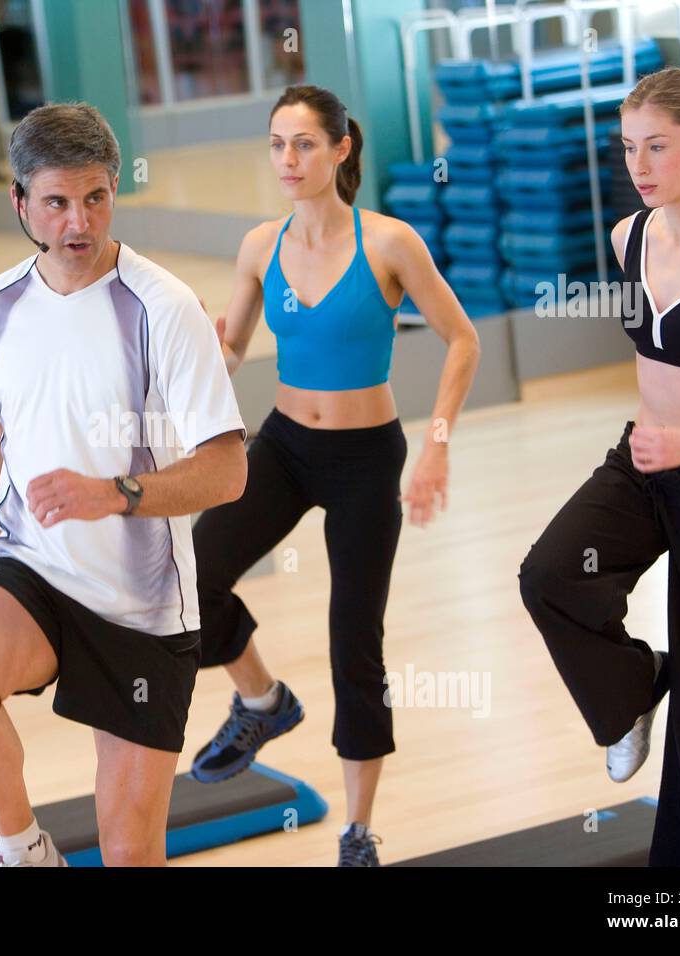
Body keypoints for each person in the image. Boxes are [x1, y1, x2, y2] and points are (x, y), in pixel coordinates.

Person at [0, 102, 247, 867]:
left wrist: (115, 493)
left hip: (142, 608)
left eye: (95, 197)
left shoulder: (163, 307)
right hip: (32, 568)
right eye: (57, 202)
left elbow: (229, 470)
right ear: (20, 203)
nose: (79, 221)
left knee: (130, 851)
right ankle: (21, 844)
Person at [188, 84, 481, 867]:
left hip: (365, 458)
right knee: (194, 574)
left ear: (341, 148)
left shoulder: (388, 243)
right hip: (284, 446)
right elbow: (234, 350)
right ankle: (262, 702)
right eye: (278, 144)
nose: (289, 159)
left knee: (355, 638)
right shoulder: (260, 245)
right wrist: (193, 359)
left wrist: (438, 446)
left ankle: (357, 830)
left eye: (305, 144)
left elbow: (462, 341)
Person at [519, 67, 680, 866]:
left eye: (658, 147)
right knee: (551, 576)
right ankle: (634, 692)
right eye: (629, 148)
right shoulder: (629, 236)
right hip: (642, 465)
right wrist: (660, 444)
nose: (639, 165)